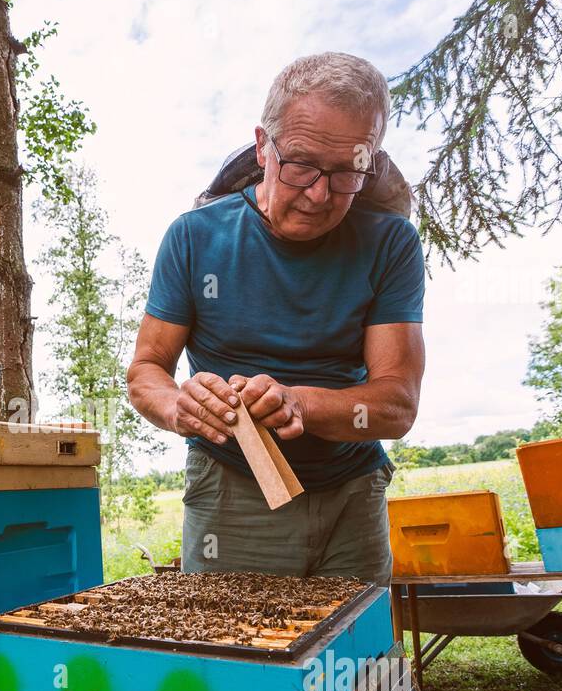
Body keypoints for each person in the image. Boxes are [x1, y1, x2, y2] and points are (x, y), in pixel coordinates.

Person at [127, 52, 426, 585]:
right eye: (303, 164)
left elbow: (396, 406)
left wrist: (296, 402)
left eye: (346, 172)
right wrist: (179, 407)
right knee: (230, 658)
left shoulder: (391, 242)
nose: (320, 194)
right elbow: (146, 370)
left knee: (359, 662)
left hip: (352, 492)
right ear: (263, 145)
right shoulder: (194, 237)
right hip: (231, 490)